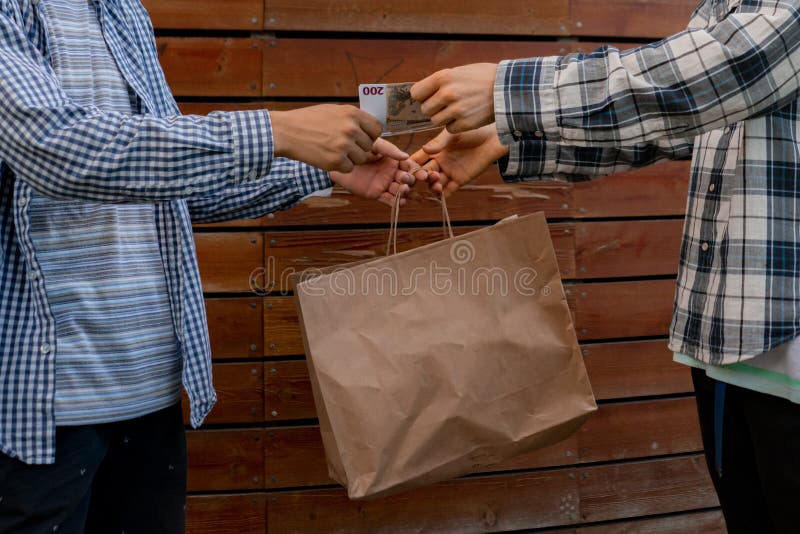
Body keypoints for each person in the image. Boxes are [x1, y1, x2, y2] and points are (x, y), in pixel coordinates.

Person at [0, 0, 421, 531]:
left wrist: (323, 170)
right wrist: (274, 131)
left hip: (152, 397)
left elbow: (171, 186)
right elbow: (55, 149)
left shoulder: (123, 11)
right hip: (38, 419)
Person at [408, 1, 800, 532]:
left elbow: (722, 69)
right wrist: (512, 139)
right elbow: (674, 123)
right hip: (733, 350)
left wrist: (510, 91)